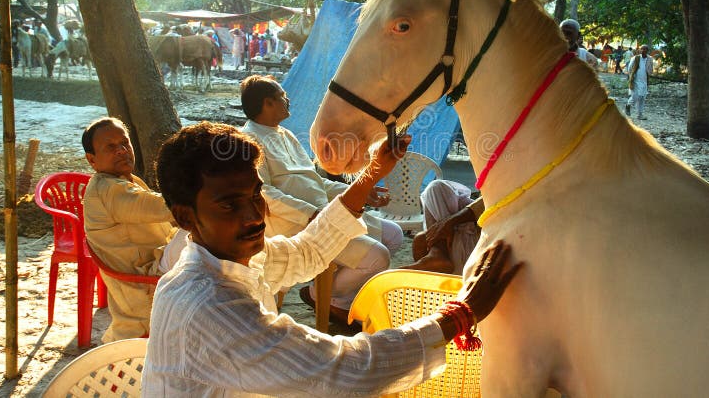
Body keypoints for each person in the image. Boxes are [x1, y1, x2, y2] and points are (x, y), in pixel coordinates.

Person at [142, 121, 522, 396]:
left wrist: (372, 174)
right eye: (229, 205)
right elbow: (344, 372)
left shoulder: (230, 258)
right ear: (186, 216)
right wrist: (462, 314)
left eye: (256, 195)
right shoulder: (210, 306)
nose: (254, 216)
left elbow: (306, 251)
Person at [240, 75, 404, 327]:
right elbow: (265, 195)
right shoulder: (249, 140)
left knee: (394, 235)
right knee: (378, 257)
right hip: (295, 225)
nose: (288, 100)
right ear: (268, 103)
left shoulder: (285, 135)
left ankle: (336, 298)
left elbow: (317, 181)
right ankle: (321, 295)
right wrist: (310, 214)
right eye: (282, 96)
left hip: (324, 213)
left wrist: (360, 190)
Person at [81, 117, 187, 342]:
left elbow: (166, 215)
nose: (121, 151)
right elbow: (166, 207)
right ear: (92, 159)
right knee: (204, 229)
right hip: (146, 281)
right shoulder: (107, 190)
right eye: (110, 147)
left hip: (158, 266)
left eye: (124, 143)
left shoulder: (124, 181)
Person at [403, 180, 484, 274]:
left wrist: (449, 221)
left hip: (482, 239)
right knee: (436, 188)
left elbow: (490, 205)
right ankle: (437, 251)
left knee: (435, 187)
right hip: (471, 231)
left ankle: (438, 251)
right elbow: (479, 205)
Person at [625, 44, 654, 120]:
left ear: (647, 51)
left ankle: (640, 115)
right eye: (642, 49)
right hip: (635, 80)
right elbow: (630, 68)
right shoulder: (635, 58)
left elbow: (651, 70)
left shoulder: (650, 59)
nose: (643, 50)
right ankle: (628, 105)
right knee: (635, 96)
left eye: (645, 49)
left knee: (642, 98)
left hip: (644, 81)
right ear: (639, 50)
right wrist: (631, 77)